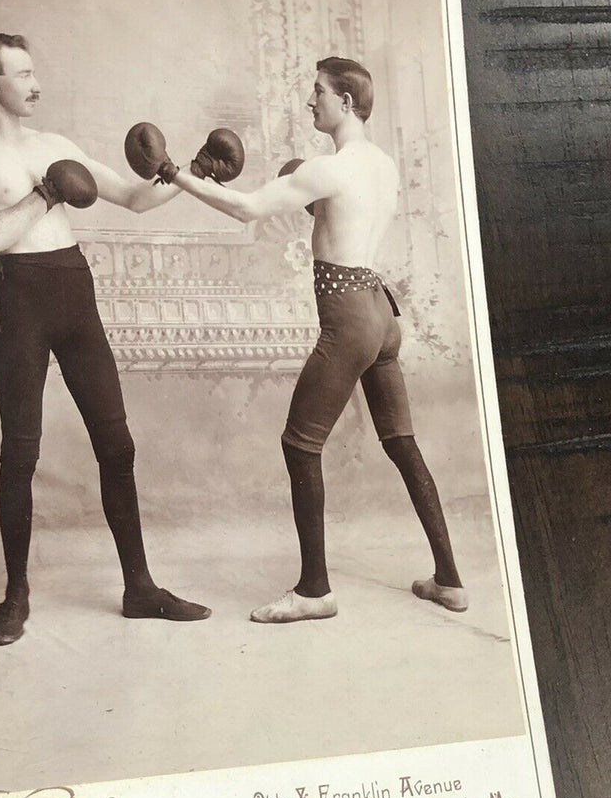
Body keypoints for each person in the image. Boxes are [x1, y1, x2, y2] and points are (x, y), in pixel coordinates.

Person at [163, 56, 467, 622]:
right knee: (402, 443)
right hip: (382, 311)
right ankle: (450, 581)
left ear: (346, 102)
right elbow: (342, 219)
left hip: (350, 318)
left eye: (318, 93)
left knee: (299, 444)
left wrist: (176, 174)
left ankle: (314, 590)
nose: (311, 102)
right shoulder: (381, 165)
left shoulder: (333, 168)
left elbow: (249, 208)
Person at [0, 32, 211, 644]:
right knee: (21, 452)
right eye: (23, 73)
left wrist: (188, 172)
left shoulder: (55, 144)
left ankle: (139, 588)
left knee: (117, 445)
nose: (36, 84)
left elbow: (137, 200)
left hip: (73, 291)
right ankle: (15, 595)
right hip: (20, 299)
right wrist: (47, 191)